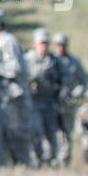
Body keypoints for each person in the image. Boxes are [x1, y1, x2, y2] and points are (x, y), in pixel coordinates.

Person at [0, 10, 38, 168]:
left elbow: (14, 69)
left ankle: (23, 171)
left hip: (15, 99)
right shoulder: (1, 42)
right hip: (4, 98)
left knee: (18, 139)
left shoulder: (7, 41)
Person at [23, 27, 64, 166]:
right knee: (35, 131)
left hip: (50, 102)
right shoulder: (27, 59)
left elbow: (64, 79)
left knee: (51, 133)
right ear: (35, 43)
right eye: (41, 43)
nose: (44, 46)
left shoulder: (54, 61)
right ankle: (38, 158)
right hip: (34, 102)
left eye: (46, 43)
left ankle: (52, 161)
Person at [52, 31, 88, 165]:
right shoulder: (50, 61)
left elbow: (83, 82)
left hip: (67, 104)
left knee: (66, 134)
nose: (60, 48)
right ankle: (51, 160)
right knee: (51, 133)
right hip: (51, 104)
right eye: (58, 45)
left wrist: (76, 93)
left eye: (63, 45)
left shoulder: (74, 63)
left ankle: (65, 161)